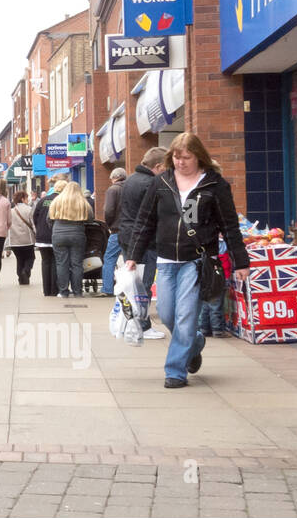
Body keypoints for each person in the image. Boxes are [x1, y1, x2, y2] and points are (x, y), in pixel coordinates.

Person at [126, 132, 250, 389]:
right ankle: (194, 343)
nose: (180, 162)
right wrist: (133, 257)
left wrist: (241, 261)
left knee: (185, 315)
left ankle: (175, 371)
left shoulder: (215, 185)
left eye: (186, 157)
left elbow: (229, 226)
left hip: (198, 261)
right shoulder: (161, 183)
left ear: (198, 157)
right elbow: (145, 221)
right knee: (167, 313)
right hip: (166, 260)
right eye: (176, 157)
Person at [117, 147, 167, 331]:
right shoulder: (151, 183)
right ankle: (142, 326)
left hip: (127, 235)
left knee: (132, 283)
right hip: (144, 240)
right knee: (142, 285)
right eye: (166, 168)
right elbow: (155, 214)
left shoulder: (129, 180)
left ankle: (132, 322)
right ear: (159, 166)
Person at [50, 181, 94, 298]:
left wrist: (55, 229)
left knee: (61, 263)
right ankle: (77, 292)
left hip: (58, 235)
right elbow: (90, 219)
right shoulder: (83, 202)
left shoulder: (57, 201)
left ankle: (63, 291)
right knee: (77, 264)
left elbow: (49, 219)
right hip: (77, 235)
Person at [32, 175, 67, 296]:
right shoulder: (63, 200)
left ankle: (46, 290)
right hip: (56, 235)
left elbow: (35, 217)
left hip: (42, 237)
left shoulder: (43, 200)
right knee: (56, 262)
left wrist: (40, 229)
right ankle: (54, 289)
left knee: (45, 262)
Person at [101, 167, 127, 297]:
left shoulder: (113, 190)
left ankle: (107, 288)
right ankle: (129, 289)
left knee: (109, 259)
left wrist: (109, 225)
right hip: (131, 230)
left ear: (114, 177)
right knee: (129, 260)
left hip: (117, 230)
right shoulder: (131, 188)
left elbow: (109, 211)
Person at [5, 190, 37, 286]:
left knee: (19, 259)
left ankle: (21, 279)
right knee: (31, 257)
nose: (28, 200)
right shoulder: (29, 209)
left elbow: (7, 225)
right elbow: (33, 224)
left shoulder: (11, 211)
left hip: (15, 241)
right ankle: (25, 271)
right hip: (28, 240)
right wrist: (37, 235)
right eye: (27, 198)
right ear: (22, 199)